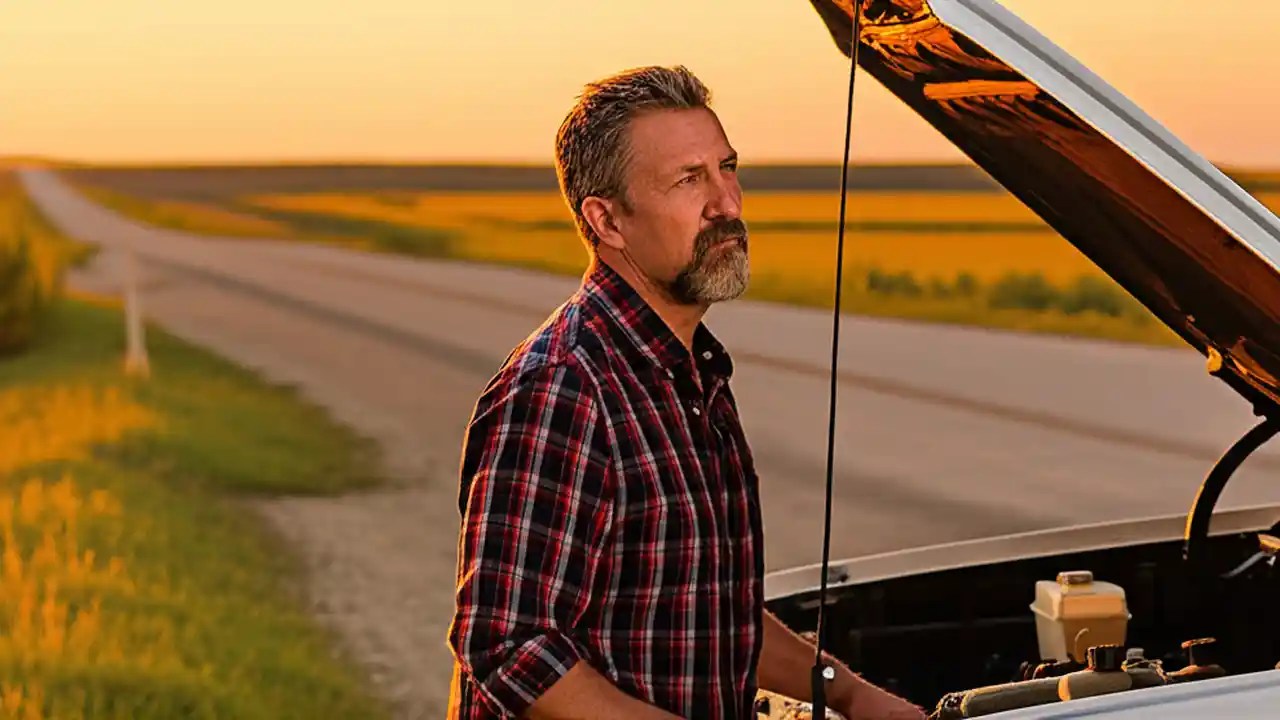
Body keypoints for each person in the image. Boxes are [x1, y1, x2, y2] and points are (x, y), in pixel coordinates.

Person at [447, 64, 924, 720]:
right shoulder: (566, 386)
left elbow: (713, 612)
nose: (727, 204)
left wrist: (850, 693)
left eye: (727, 168)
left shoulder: (691, 374)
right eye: (689, 180)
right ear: (607, 221)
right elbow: (509, 647)